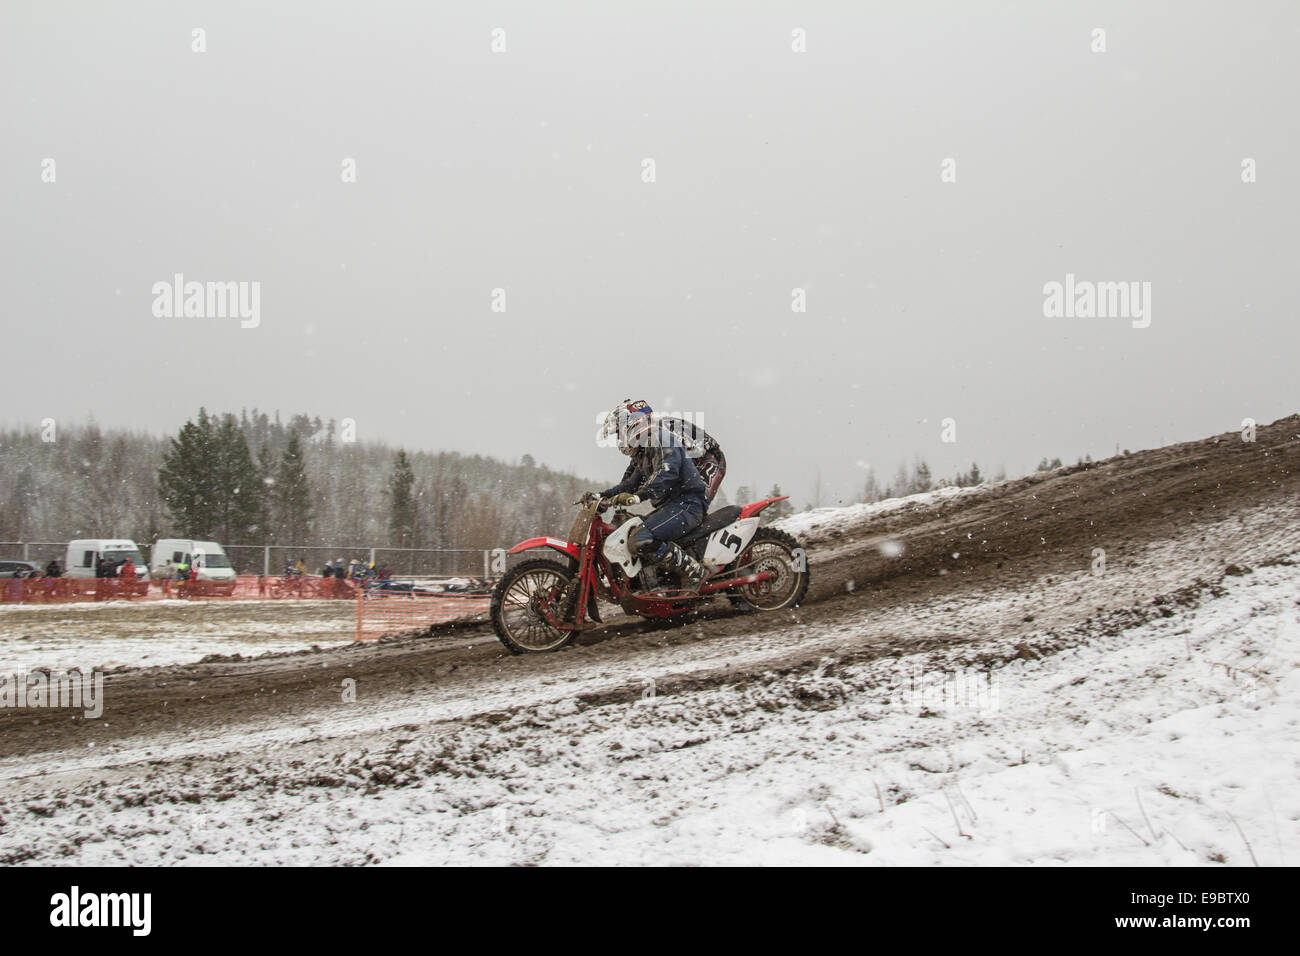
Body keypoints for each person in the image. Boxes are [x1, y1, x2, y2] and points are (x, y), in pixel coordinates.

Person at [588, 399, 708, 591]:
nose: (619, 439)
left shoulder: (661, 438)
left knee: (641, 538)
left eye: (619, 432)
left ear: (633, 425)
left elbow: (667, 472)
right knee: (628, 531)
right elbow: (629, 484)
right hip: (672, 507)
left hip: (688, 504)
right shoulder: (642, 452)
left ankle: (694, 572)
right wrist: (601, 496)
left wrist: (638, 497)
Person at [657, 413, 727, 505]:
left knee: (697, 498)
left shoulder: (666, 426)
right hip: (694, 459)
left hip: (709, 457)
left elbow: (696, 451)